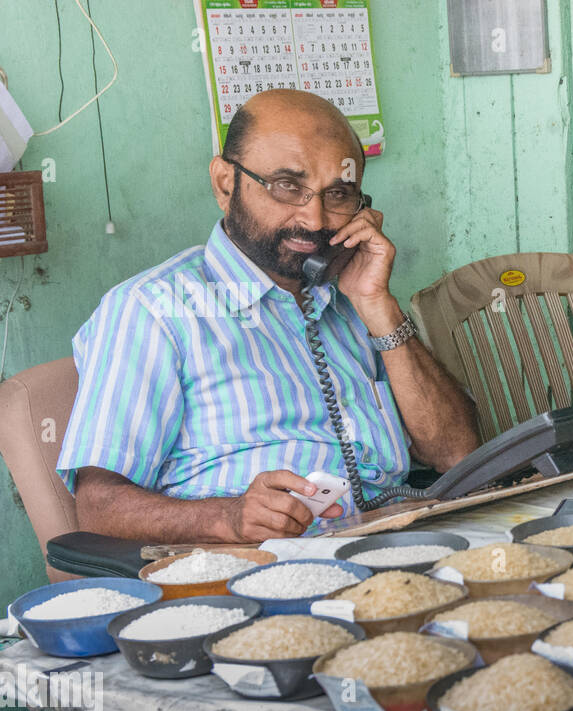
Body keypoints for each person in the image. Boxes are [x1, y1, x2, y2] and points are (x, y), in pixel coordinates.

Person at [55, 90, 478, 543]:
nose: (314, 219)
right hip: (253, 569)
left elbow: (457, 453)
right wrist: (228, 518)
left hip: (393, 542)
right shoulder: (154, 308)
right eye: (287, 186)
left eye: (337, 194)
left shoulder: (352, 298)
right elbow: (97, 508)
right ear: (224, 183)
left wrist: (379, 306)